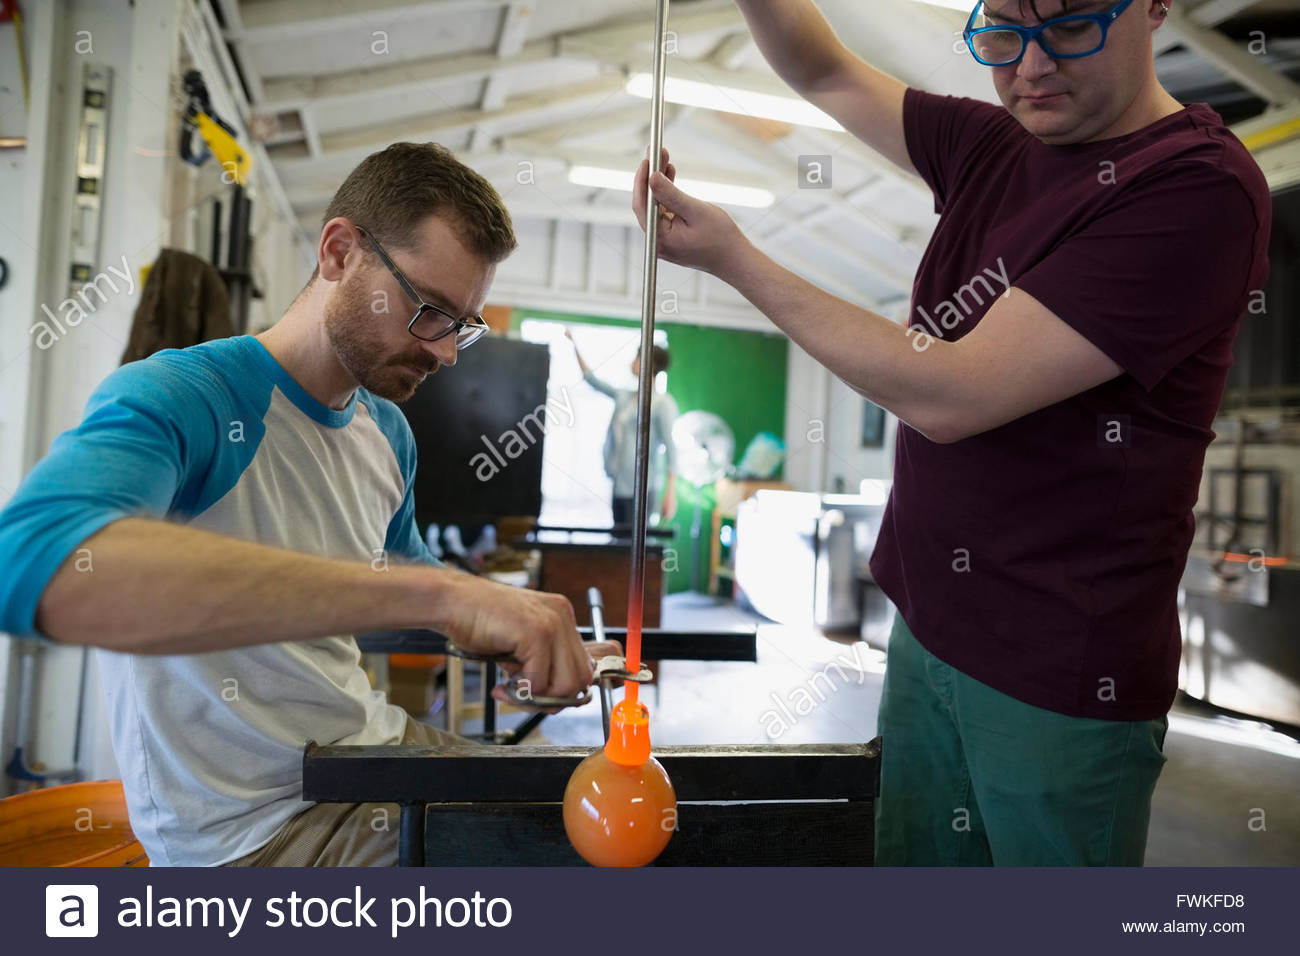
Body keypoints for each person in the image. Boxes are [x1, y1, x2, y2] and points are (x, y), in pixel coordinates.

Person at [631, 0, 1272, 865]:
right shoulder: (996, 145)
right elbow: (820, 68)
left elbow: (948, 392)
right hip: (929, 628)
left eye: (1071, 23)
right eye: (1003, 31)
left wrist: (736, 258)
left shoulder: (1196, 187)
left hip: (1061, 675)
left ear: (1155, 7)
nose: (1032, 67)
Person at [0, 142, 617, 867]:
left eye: (463, 327)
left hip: (365, 750)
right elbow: (36, 559)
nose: (447, 353)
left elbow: (402, 579)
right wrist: (444, 593)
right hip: (251, 830)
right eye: (429, 312)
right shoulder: (189, 397)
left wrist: (509, 632)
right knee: (562, 873)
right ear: (338, 254)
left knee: (588, 810)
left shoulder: (386, 431)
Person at [565, 329, 678, 527]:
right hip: (619, 484)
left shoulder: (662, 403)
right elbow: (591, 379)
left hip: (644, 488)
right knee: (618, 543)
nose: (633, 361)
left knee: (636, 549)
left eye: (637, 357)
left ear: (649, 364)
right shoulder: (625, 396)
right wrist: (574, 344)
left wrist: (671, 494)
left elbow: (671, 449)